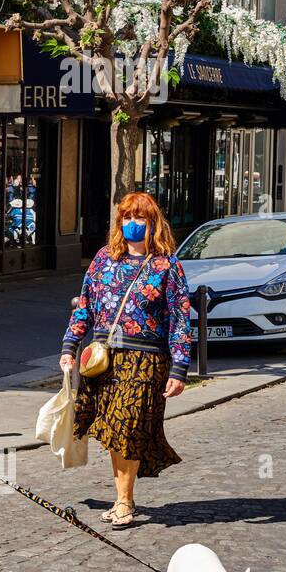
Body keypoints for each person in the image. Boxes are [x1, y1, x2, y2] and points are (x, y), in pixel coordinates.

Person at [60, 191, 192, 528]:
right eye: (127, 217)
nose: (133, 224)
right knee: (115, 428)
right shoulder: (104, 259)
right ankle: (124, 497)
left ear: (153, 223)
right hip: (104, 358)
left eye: (140, 218)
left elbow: (180, 319)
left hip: (146, 361)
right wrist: (69, 346)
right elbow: (85, 306)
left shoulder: (167, 265)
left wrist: (179, 368)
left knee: (128, 427)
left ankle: (124, 501)